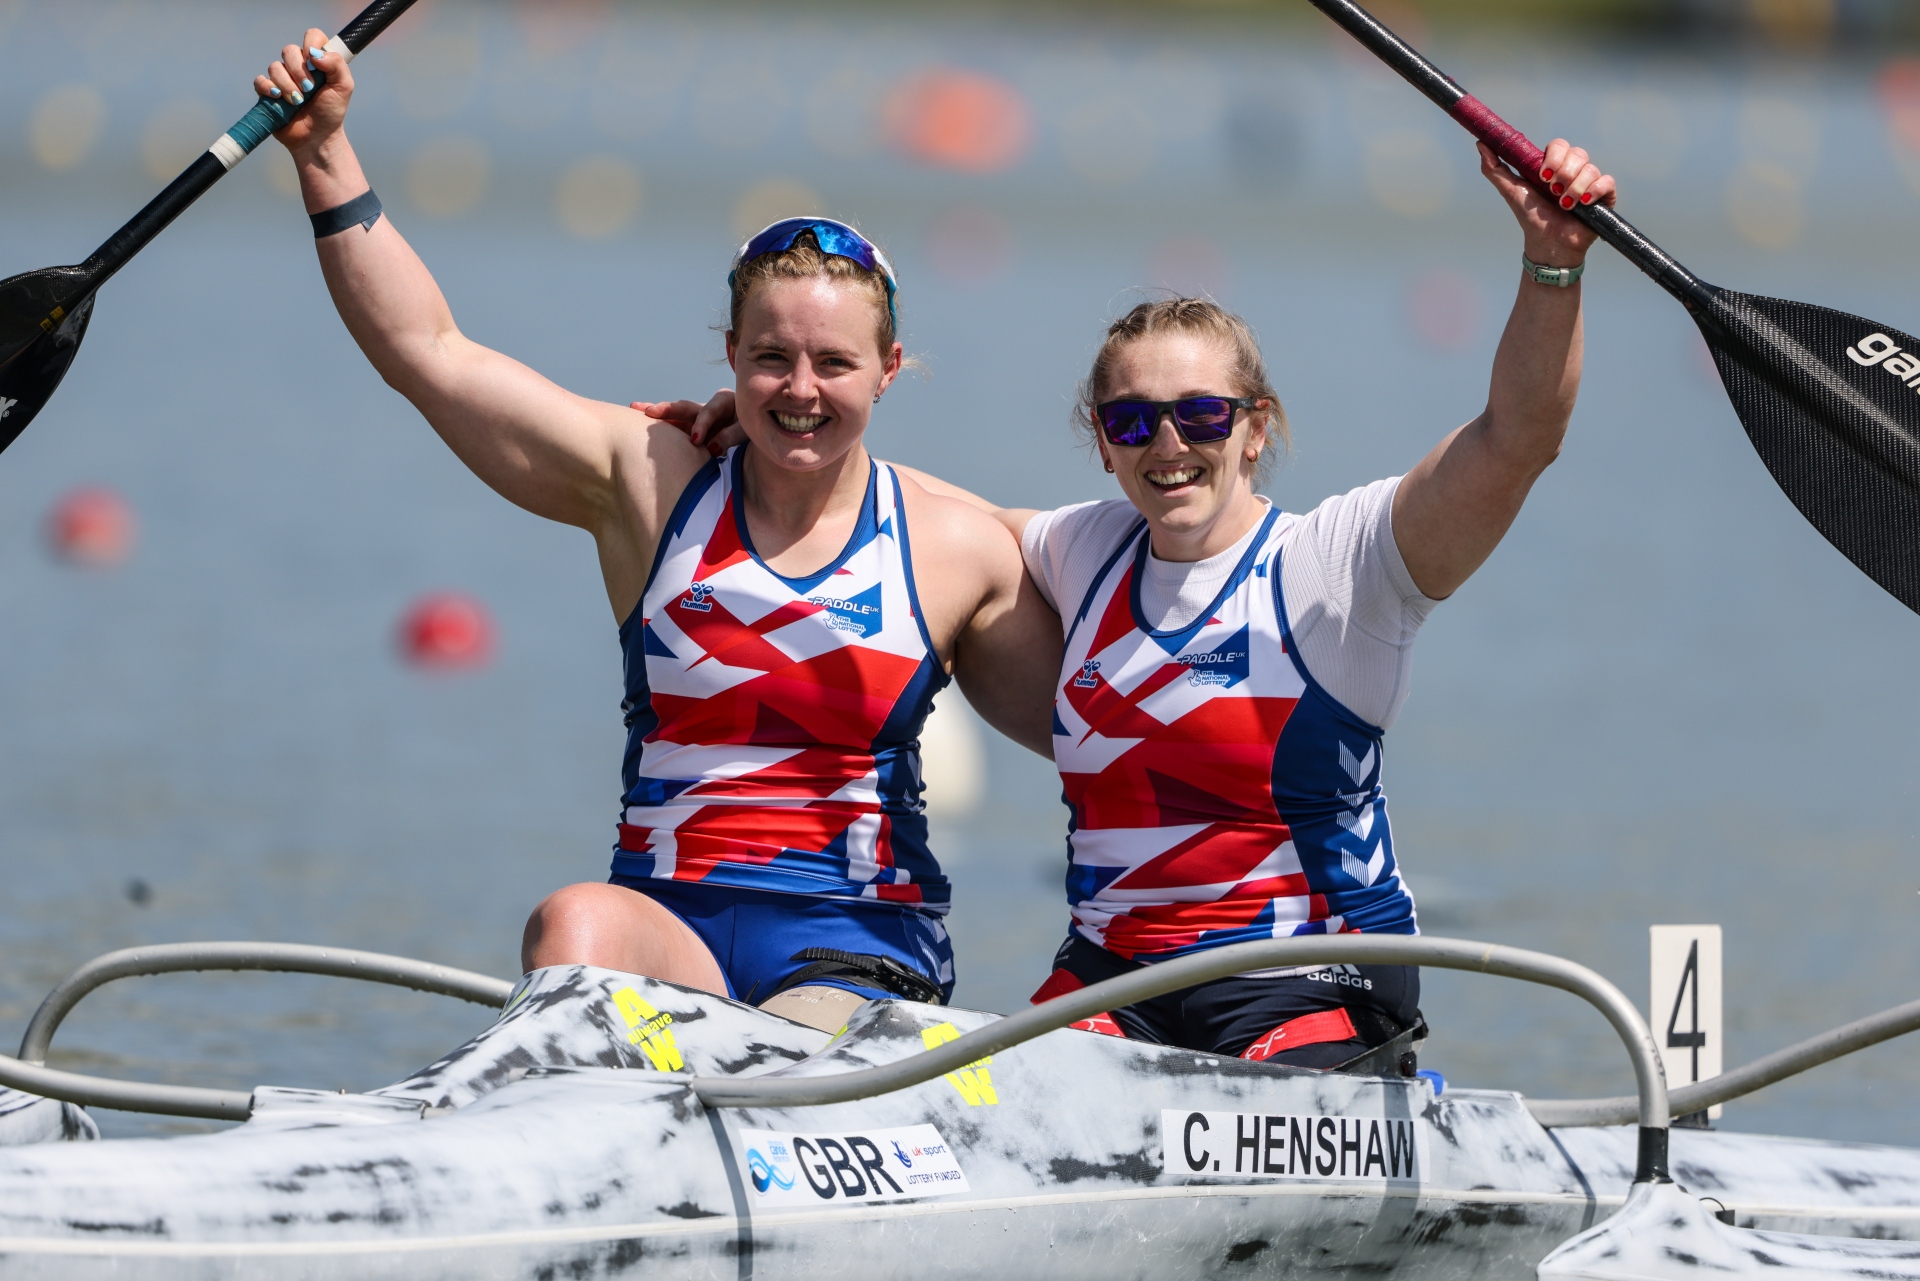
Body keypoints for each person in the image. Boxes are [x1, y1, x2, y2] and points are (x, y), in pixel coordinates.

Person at [662, 137, 1617, 1066]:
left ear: (1255, 429)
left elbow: (1517, 438)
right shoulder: (1086, 549)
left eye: (1200, 414)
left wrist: (1553, 266)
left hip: (1306, 981)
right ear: (1103, 439)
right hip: (1116, 981)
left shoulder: (1343, 565)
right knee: (976, 1094)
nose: (1168, 445)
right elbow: (897, 503)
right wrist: (765, 430)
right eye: (1132, 421)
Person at [252, 32, 1060, 1031]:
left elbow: (1111, 729)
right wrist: (323, 152)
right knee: (570, 923)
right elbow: (429, 354)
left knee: (792, 1036)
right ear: (729, 356)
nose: (799, 390)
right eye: (771, 358)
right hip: (668, 929)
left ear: (889, 370)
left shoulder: (957, 545)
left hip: (855, 951)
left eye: (834, 364)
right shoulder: (647, 481)